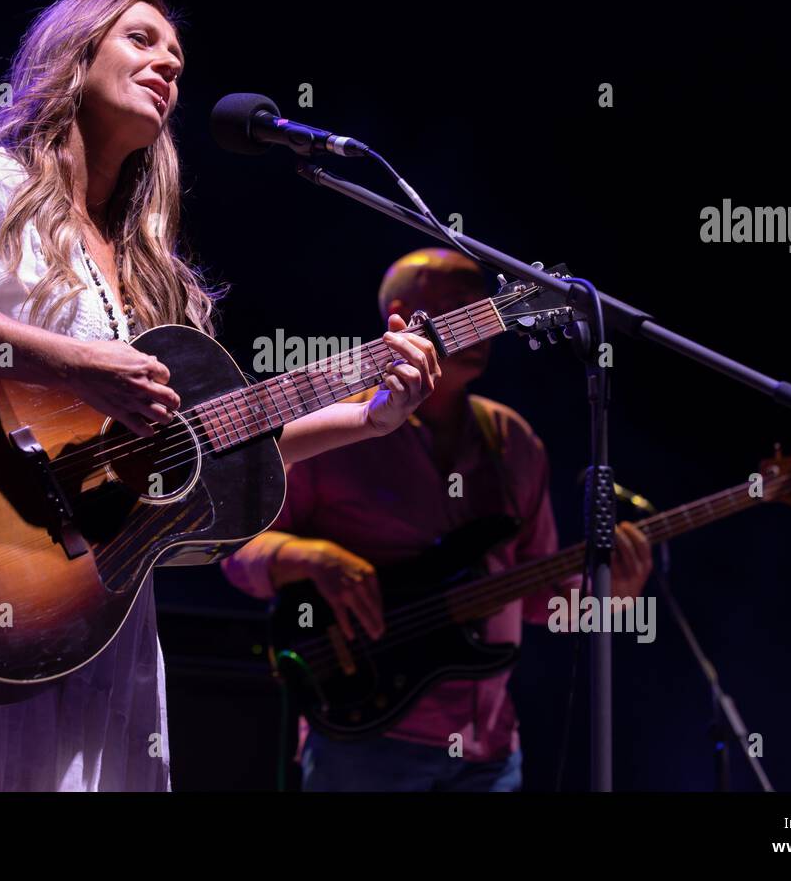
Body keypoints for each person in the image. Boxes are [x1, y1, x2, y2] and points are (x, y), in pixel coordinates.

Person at [0, 0, 441, 792]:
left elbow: (201, 447)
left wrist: (366, 419)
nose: (167, 65)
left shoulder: (158, 273)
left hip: (93, 620)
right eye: (142, 40)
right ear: (76, 54)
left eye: (178, 62)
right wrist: (72, 361)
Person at [222, 248, 653, 791]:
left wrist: (608, 599)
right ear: (403, 315)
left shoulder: (513, 441)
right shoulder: (336, 428)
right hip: (366, 735)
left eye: (487, 306)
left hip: (491, 747)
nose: (484, 321)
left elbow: (536, 593)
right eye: (460, 305)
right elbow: (237, 555)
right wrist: (310, 557)